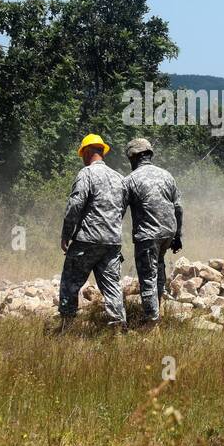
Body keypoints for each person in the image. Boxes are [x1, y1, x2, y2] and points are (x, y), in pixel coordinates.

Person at [58, 133, 127, 329]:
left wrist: (66, 234)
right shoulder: (120, 178)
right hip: (112, 242)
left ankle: (67, 329)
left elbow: (75, 205)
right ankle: (118, 330)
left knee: (70, 283)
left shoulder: (86, 174)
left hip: (86, 241)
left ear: (87, 152)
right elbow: (121, 209)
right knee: (112, 287)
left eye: (82, 154)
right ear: (101, 151)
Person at [123, 137, 182, 326]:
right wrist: (178, 235)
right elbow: (178, 207)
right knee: (159, 269)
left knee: (147, 278)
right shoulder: (167, 175)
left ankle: (151, 326)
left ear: (134, 157)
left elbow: (118, 212)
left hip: (148, 236)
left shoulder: (130, 180)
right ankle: (158, 309)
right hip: (168, 233)